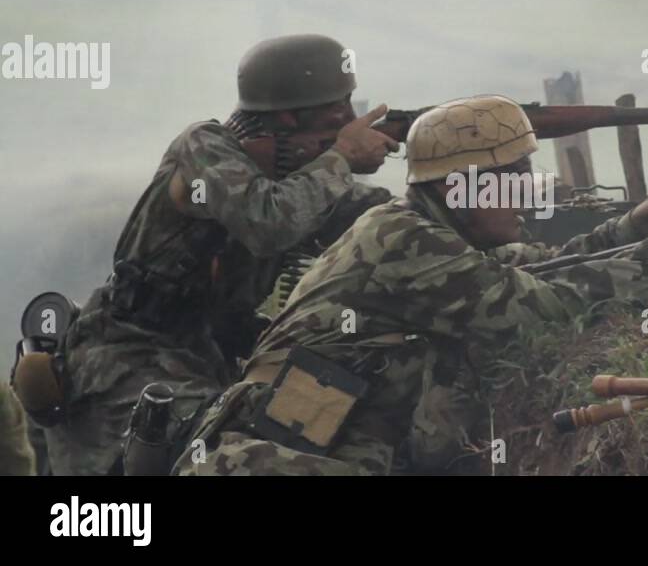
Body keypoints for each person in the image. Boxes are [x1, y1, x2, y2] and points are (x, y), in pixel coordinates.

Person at [176, 95, 648, 476]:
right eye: (515, 177)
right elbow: (536, 305)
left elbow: (546, 266)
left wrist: (638, 222)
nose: (531, 190)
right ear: (461, 188)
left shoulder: (434, 238)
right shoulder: (399, 238)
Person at [39, 34, 398, 475]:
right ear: (289, 113)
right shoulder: (204, 148)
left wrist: (440, 185)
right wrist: (341, 159)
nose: (349, 118)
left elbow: (377, 220)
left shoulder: (299, 182)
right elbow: (268, 221)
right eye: (337, 106)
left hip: (204, 360)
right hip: (128, 360)